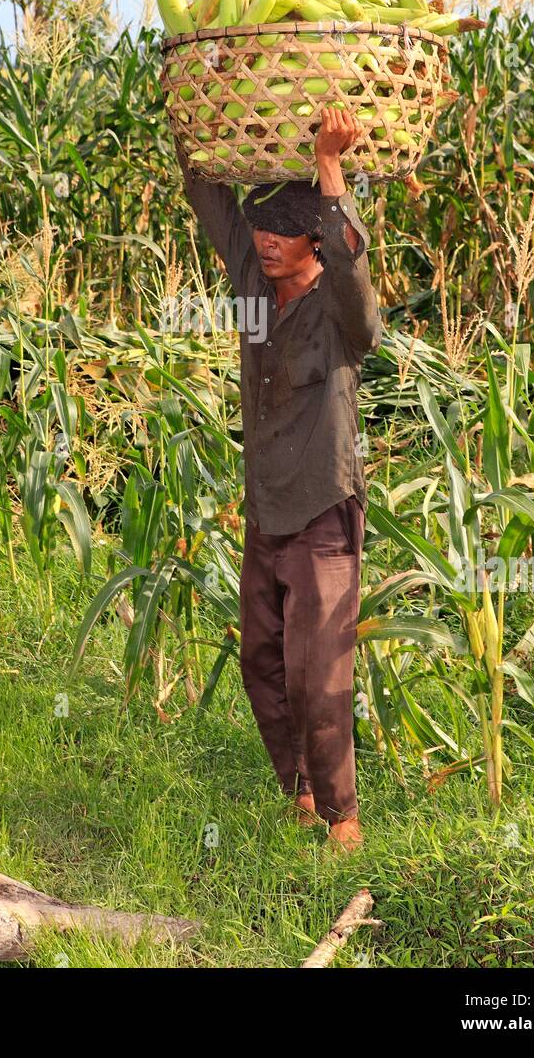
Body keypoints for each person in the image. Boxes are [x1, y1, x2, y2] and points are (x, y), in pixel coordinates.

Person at [175, 107, 383, 851]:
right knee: (261, 659)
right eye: (262, 225)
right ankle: (296, 786)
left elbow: (358, 274)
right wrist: (193, 113)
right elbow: (207, 195)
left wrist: (331, 171)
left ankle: (343, 819)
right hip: (265, 508)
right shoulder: (251, 282)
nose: (266, 238)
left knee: (317, 673)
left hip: (323, 509)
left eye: (284, 229)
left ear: (315, 239)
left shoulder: (339, 313)